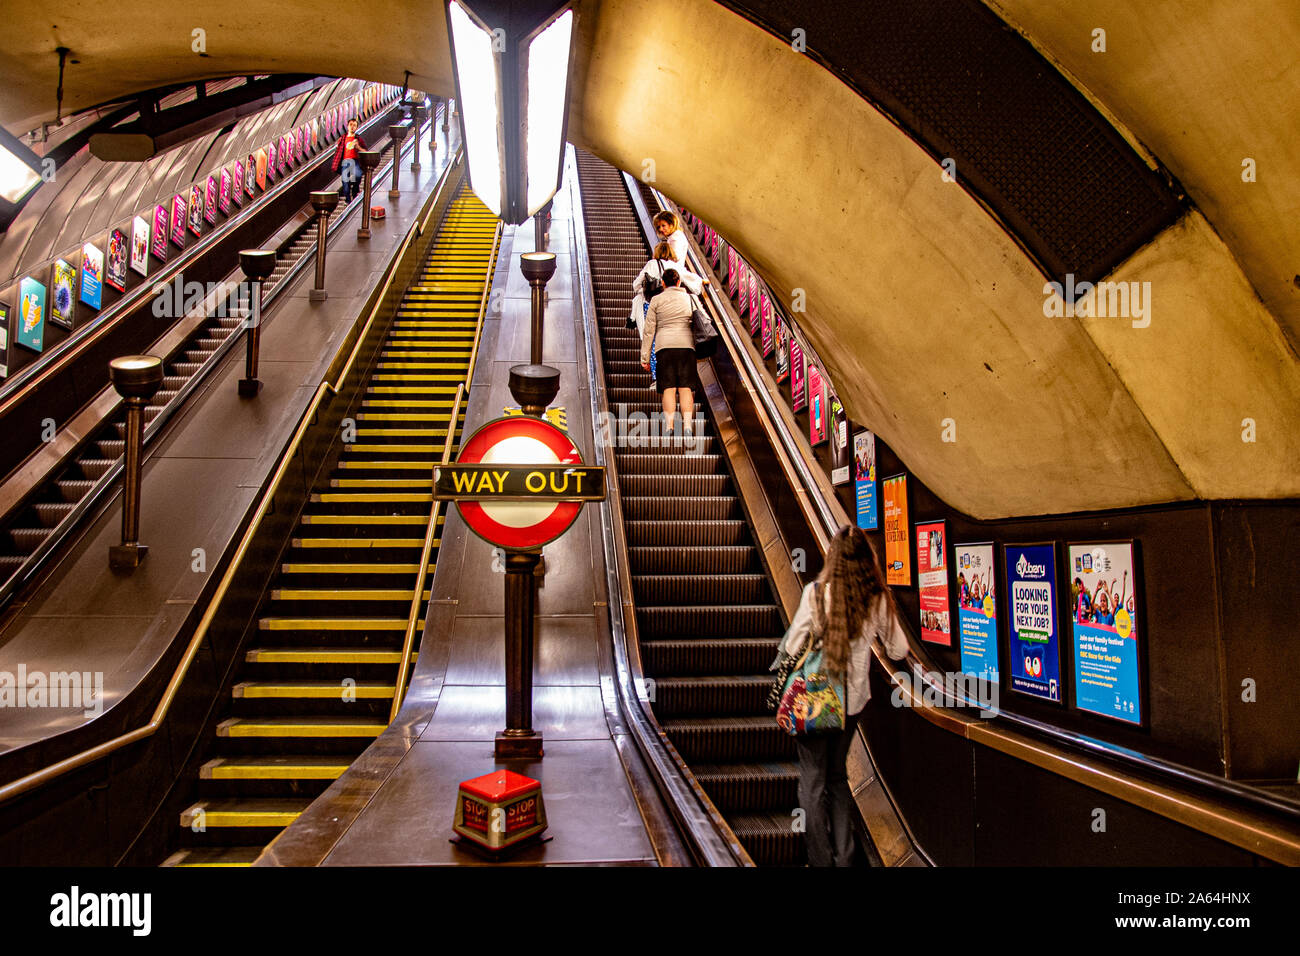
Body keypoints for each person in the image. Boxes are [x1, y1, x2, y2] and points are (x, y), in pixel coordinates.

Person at [773, 525, 909, 866]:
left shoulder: (816, 594)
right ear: (867, 560)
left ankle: (821, 860)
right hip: (852, 703)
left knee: (812, 780)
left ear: (833, 557)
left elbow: (791, 645)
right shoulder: (876, 597)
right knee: (837, 776)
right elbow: (898, 649)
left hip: (817, 701)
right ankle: (847, 857)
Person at [631, 241, 704, 387]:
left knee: (652, 338)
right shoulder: (676, 266)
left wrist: (643, 292)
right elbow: (693, 281)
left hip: (651, 304)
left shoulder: (652, 264)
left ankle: (657, 378)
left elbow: (636, 284)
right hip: (672, 307)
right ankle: (674, 378)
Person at [640, 268, 697, 437]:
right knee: (686, 388)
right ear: (679, 282)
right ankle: (687, 426)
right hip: (687, 346)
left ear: (663, 283)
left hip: (664, 348)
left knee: (668, 388)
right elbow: (703, 319)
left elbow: (648, 330)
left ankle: (669, 427)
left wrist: (645, 357)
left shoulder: (656, 300)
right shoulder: (690, 298)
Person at [332, 118, 367, 203]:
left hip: (355, 161)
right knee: (345, 181)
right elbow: (338, 150)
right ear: (347, 126)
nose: (352, 127)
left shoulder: (358, 139)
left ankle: (355, 194)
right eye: (351, 124)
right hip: (345, 162)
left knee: (357, 177)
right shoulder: (343, 138)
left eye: (354, 125)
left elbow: (366, 151)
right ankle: (348, 200)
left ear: (356, 128)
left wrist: (358, 147)